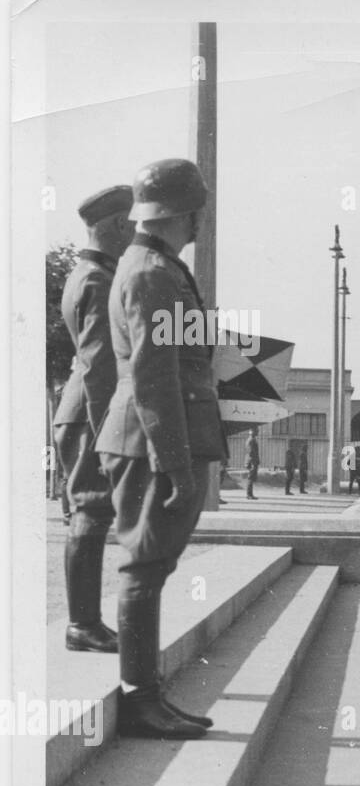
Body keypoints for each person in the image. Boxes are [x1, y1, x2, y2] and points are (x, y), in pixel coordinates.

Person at [95, 158, 220, 739]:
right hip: (150, 443)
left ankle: (148, 693)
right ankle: (141, 699)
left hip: (156, 437)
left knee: (153, 566)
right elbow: (153, 376)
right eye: (197, 211)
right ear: (182, 212)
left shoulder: (158, 266)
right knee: (145, 567)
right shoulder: (152, 272)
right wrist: (173, 463)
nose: (201, 223)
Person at [54, 184, 135, 653]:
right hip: (90, 411)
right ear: (118, 226)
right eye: (133, 225)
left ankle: (85, 622)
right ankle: (82, 624)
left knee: (92, 509)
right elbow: (101, 364)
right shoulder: (99, 279)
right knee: (91, 507)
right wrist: (112, 430)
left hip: (82, 408)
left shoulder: (88, 273)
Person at [244, 431, 260, 499]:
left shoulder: (252, 439)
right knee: (250, 477)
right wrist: (254, 462)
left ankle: (250, 494)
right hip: (252, 461)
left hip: (252, 460)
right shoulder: (251, 440)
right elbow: (251, 452)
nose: (258, 432)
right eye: (257, 430)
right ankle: (249, 495)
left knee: (251, 477)